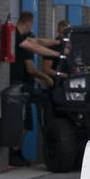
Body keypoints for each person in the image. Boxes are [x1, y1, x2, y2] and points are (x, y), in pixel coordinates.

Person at [6, 11, 60, 167]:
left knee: (26, 119)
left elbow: (38, 42)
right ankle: (15, 152)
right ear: (29, 23)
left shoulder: (23, 36)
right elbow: (36, 48)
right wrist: (58, 55)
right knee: (41, 101)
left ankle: (16, 152)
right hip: (18, 85)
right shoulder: (18, 38)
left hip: (22, 84)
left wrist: (57, 43)